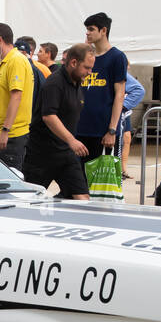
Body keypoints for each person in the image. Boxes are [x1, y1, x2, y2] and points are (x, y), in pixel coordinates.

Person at [23, 43, 95, 200]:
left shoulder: (77, 82)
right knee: (29, 200)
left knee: (82, 198)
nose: (89, 73)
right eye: (87, 68)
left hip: (66, 154)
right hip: (41, 155)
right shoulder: (54, 83)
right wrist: (72, 140)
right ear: (73, 62)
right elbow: (49, 116)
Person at [75, 11, 128, 164]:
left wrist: (112, 130)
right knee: (78, 179)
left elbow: (119, 94)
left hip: (102, 131)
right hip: (80, 128)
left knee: (100, 183)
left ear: (103, 31)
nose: (87, 32)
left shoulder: (116, 57)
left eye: (91, 29)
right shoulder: (86, 55)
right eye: (87, 29)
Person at [0, 22, 34, 171]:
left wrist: (5, 130)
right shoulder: (5, 63)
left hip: (10, 137)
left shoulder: (16, 61)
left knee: (8, 183)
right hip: (0, 135)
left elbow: (16, 96)